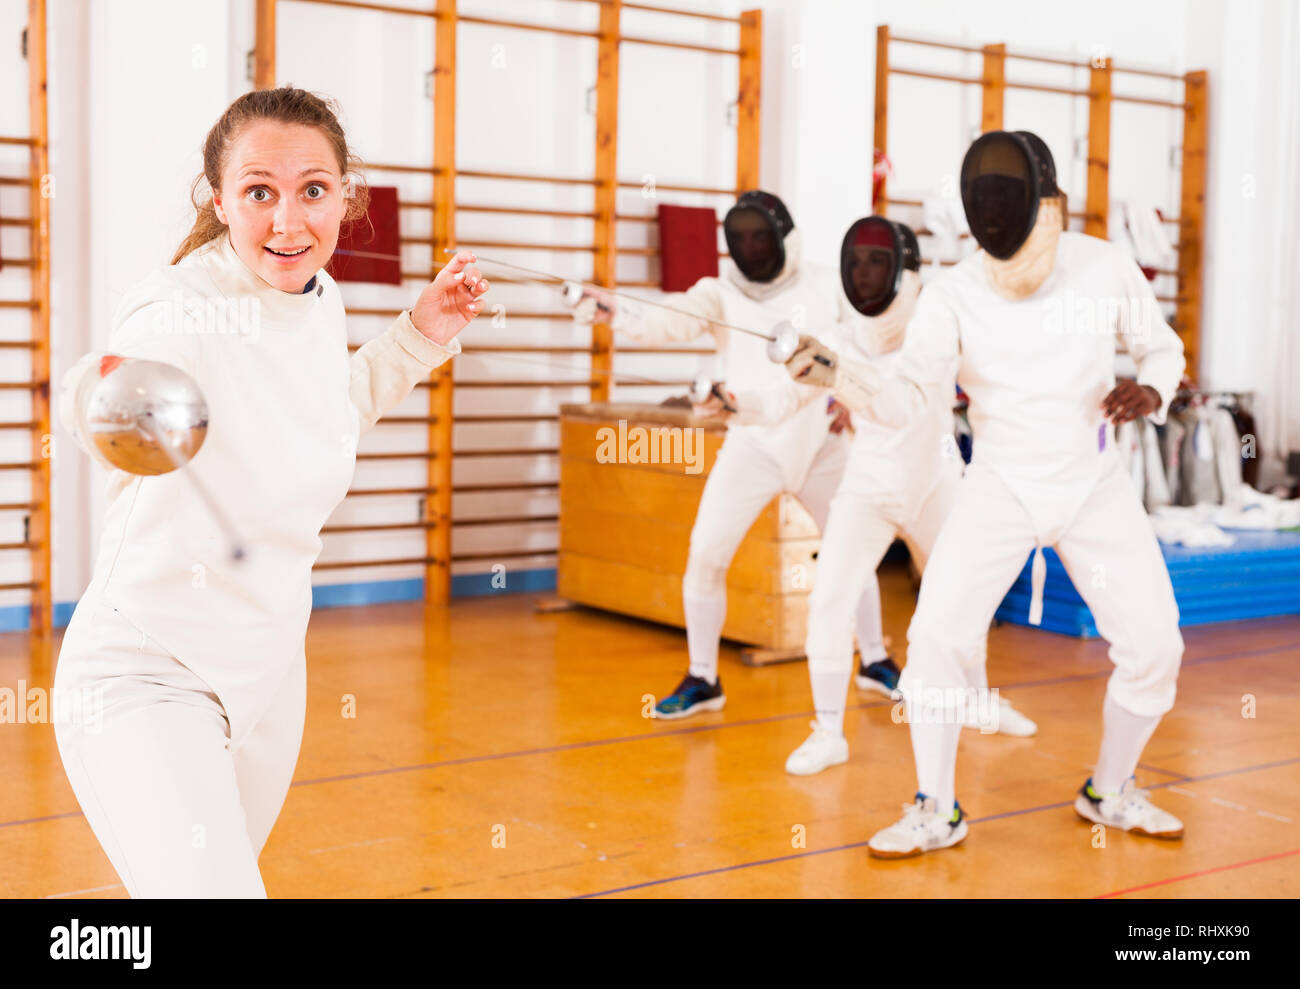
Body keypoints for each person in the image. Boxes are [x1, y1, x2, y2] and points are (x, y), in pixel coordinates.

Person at [53, 86, 487, 897]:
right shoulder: (180, 302)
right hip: (148, 669)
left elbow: (326, 413)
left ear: (343, 195)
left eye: (312, 190)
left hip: (269, 673)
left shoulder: (320, 302)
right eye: (259, 191)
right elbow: (116, 375)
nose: (288, 222)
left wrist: (419, 332)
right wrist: (104, 396)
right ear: (220, 200)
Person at [787, 131, 1186, 855]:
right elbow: (909, 399)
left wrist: (1153, 384)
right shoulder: (953, 294)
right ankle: (936, 806)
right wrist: (839, 374)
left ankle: (1110, 789)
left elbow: (1161, 345)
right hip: (1000, 482)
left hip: (1093, 484)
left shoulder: (1103, 265)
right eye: (986, 198)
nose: (997, 210)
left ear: (1044, 197)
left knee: (1157, 643)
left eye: (1010, 195)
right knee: (935, 637)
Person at [572, 190, 892, 717]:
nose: (750, 246)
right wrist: (613, 309)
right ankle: (704, 678)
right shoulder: (718, 293)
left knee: (852, 552)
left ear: (784, 237)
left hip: (822, 443)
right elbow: (664, 320)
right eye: (740, 238)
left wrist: (852, 396)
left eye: (759, 237)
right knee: (706, 553)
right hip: (752, 444)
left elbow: (861, 342)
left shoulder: (824, 281)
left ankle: (876, 661)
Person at [782, 216, 1037, 778]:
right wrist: (736, 404)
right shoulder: (843, 338)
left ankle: (976, 700)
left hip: (936, 481)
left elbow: (910, 404)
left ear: (905, 269)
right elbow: (783, 400)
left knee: (965, 597)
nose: (864, 271)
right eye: (855, 262)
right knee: (828, 601)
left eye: (876, 260)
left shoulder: (936, 324)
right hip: (867, 487)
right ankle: (827, 732)